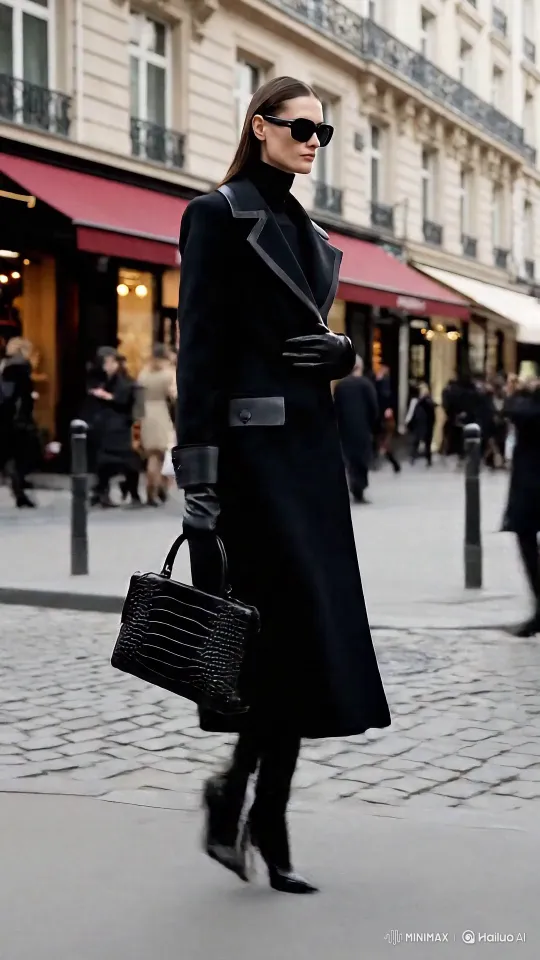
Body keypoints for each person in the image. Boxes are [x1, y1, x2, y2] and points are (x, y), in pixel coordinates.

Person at [172, 75, 390, 893]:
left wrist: (346, 353)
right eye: (300, 128)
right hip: (249, 467)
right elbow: (199, 350)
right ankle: (248, 806)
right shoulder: (218, 214)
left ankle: (250, 805)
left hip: (309, 463)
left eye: (321, 133)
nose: (312, 143)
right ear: (259, 126)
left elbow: (311, 333)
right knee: (273, 643)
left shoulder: (309, 231)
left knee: (300, 644)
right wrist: (199, 474)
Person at [503, 379, 540, 637]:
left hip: (532, 486)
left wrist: (519, 391)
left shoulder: (529, 407)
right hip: (529, 485)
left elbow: (515, 410)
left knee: (526, 539)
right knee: (526, 541)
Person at [88, 349, 140, 507]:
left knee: (128, 461)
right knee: (104, 462)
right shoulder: (106, 379)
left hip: (119, 425)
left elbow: (124, 399)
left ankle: (131, 491)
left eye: (110, 363)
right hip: (107, 425)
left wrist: (106, 396)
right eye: (106, 363)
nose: (107, 366)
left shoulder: (123, 380)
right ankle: (102, 492)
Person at [0, 337, 40, 507]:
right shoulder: (19, 368)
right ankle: (20, 494)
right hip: (14, 420)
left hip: (7, 418)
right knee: (16, 457)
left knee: (10, 458)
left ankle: (19, 493)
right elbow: (14, 395)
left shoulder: (6, 366)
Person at [334, 355, 379, 502]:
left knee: (350, 459)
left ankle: (354, 485)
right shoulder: (366, 385)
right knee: (362, 458)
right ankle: (359, 487)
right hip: (363, 428)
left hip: (345, 429)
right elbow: (373, 408)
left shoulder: (340, 386)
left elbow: (335, 409)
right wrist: (373, 426)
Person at [138, 344, 177, 505]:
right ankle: (156, 489)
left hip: (144, 414)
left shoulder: (144, 373)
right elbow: (174, 394)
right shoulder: (168, 373)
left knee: (152, 455)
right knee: (161, 454)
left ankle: (153, 489)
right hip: (161, 413)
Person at [374, 364, 400, 473]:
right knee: (383, 441)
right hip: (382, 415)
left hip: (382, 416)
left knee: (383, 440)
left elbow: (383, 397)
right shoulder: (382, 382)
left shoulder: (383, 383)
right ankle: (392, 463)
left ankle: (389, 461)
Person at [407, 382, 435, 467]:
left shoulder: (428, 401)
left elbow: (432, 413)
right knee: (417, 441)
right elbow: (411, 411)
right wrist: (408, 421)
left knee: (426, 442)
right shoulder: (416, 401)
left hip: (426, 423)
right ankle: (413, 457)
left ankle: (427, 459)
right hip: (419, 423)